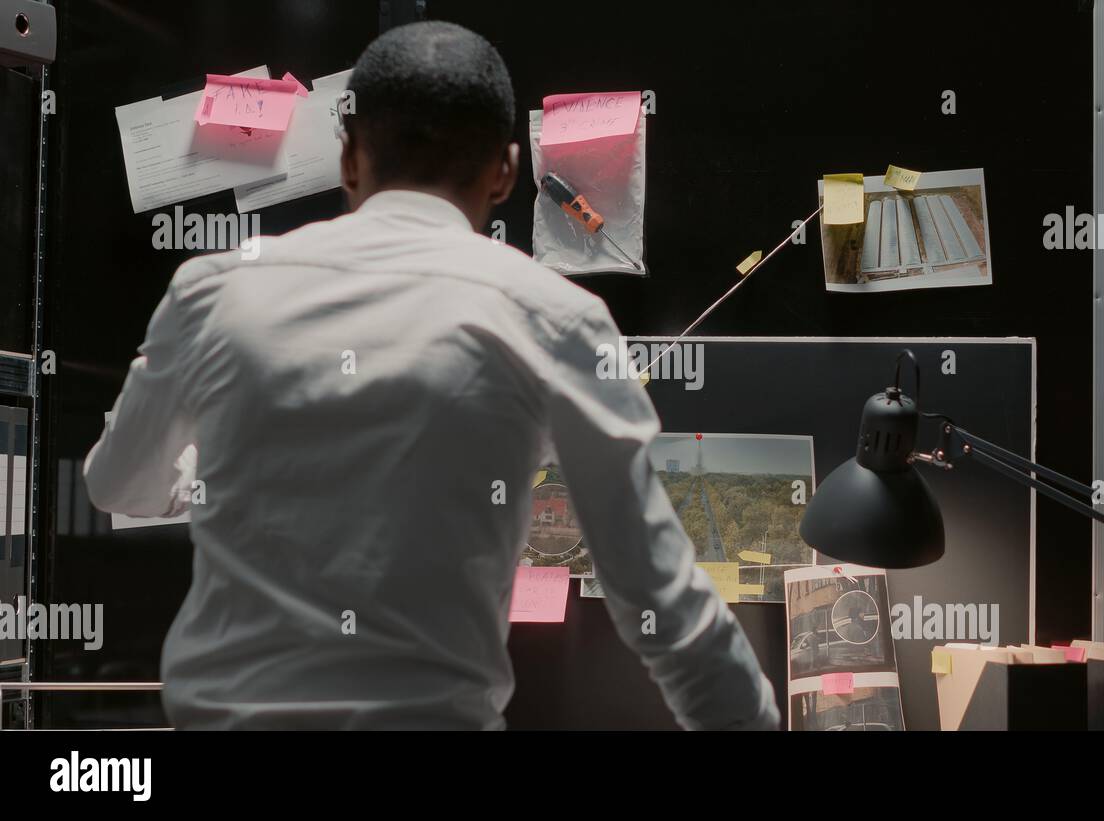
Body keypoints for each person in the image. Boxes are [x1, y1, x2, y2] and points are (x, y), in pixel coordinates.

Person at [83, 21, 778, 730]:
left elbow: (115, 485)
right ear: (507, 172)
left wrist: (214, 464)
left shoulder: (211, 291)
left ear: (348, 158)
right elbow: (658, 596)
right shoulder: (557, 320)